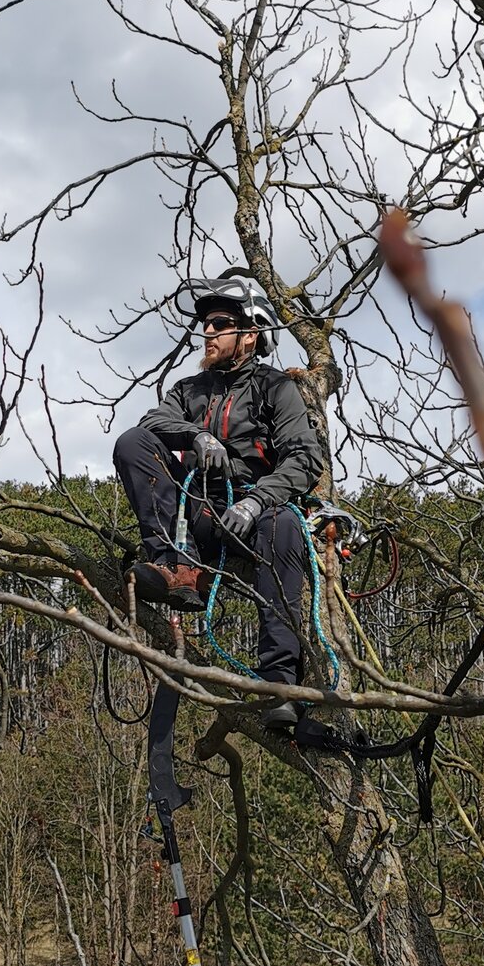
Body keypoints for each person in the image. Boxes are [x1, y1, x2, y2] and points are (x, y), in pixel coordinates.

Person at [113, 274, 324, 713]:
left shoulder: (276, 389)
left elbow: (304, 459)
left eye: (219, 323)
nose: (206, 332)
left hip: (251, 514)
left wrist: (256, 501)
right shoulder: (188, 390)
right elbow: (153, 424)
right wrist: (196, 438)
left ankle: (279, 685)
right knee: (131, 442)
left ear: (250, 335)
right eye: (205, 324)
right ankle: (176, 567)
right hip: (191, 513)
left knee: (285, 525)